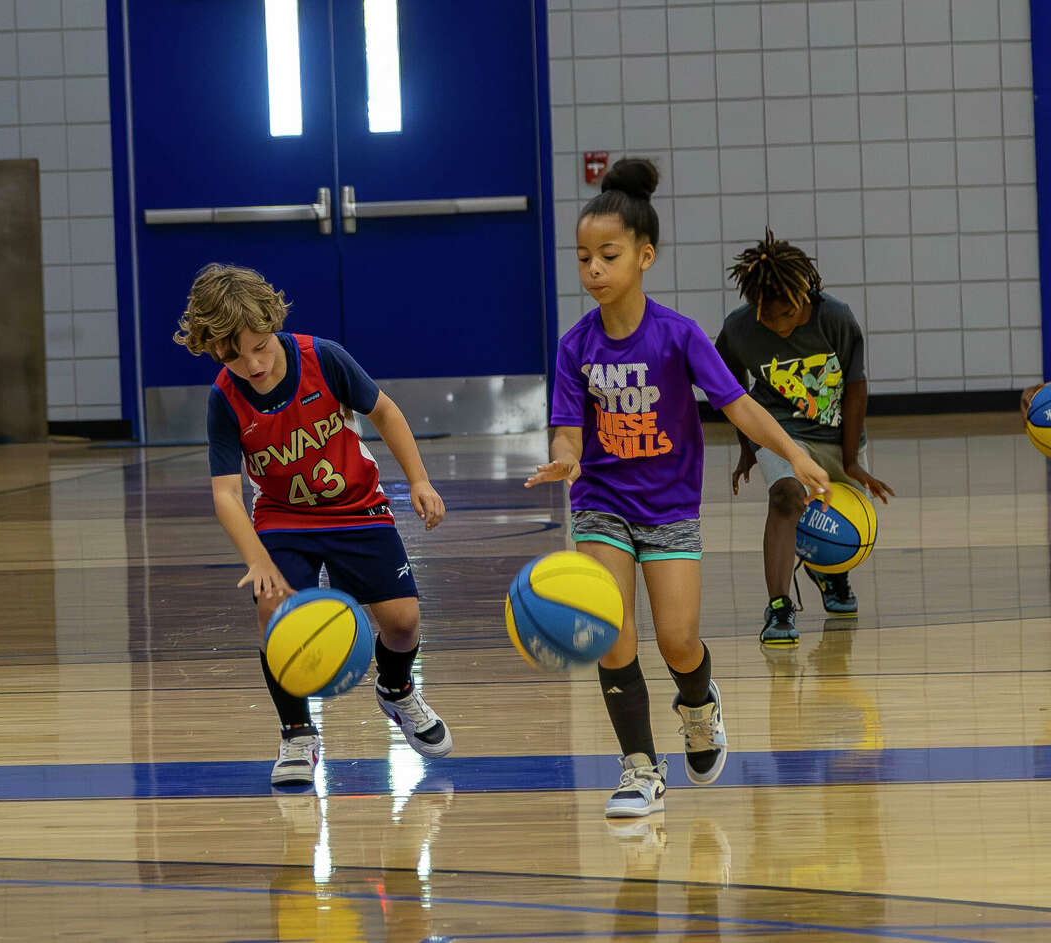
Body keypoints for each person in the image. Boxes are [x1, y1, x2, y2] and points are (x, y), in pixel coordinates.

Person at [525, 159, 831, 818]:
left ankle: (698, 703)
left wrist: (794, 451)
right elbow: (568, 430)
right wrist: (564, 459)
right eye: (583, 258)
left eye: (608, 255)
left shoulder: (678, 335)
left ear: (644, 256)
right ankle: (639, 767)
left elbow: (739, 406)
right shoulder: (575, 346)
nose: (593, 270)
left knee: (677, 640)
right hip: (601, 502)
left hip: (667, 506)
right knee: (615, 634)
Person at [174, 263, 452, 786]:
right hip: (284, 518)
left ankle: (396, 691)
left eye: (258, 346)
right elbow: (226, 495)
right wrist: (257, 560)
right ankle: (297, 734)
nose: (251, 364)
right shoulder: (225, 398)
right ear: (212, 350)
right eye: (233, 356)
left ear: (272, 324)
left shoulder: (322, 358)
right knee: (274, 610)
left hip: (356, 507)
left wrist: (419, 480)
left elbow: (386, 413)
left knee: (403, 622)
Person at [715, 230, 894, 645]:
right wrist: (747, 448)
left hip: (835, 430)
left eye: (788, 314)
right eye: (768, 316)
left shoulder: (836, 317)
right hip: (779, 430)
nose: (779, 325)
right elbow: (730, 392)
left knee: (838, 513)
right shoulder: (738, 330)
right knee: (787, 497)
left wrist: (850, 461)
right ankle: (779, 607)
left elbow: (855, 386)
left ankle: (829, 572)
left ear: (806, 295)